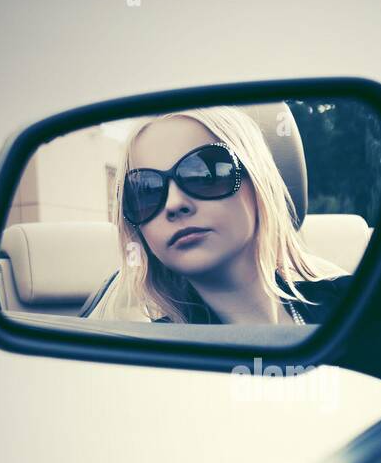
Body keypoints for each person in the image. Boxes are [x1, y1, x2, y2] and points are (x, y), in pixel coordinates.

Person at [80, 106, 350, 325]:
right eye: (146, 191)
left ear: (258, 181)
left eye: (205, 173)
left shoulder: (358, 307)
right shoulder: (156, 355)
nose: (173, 204)